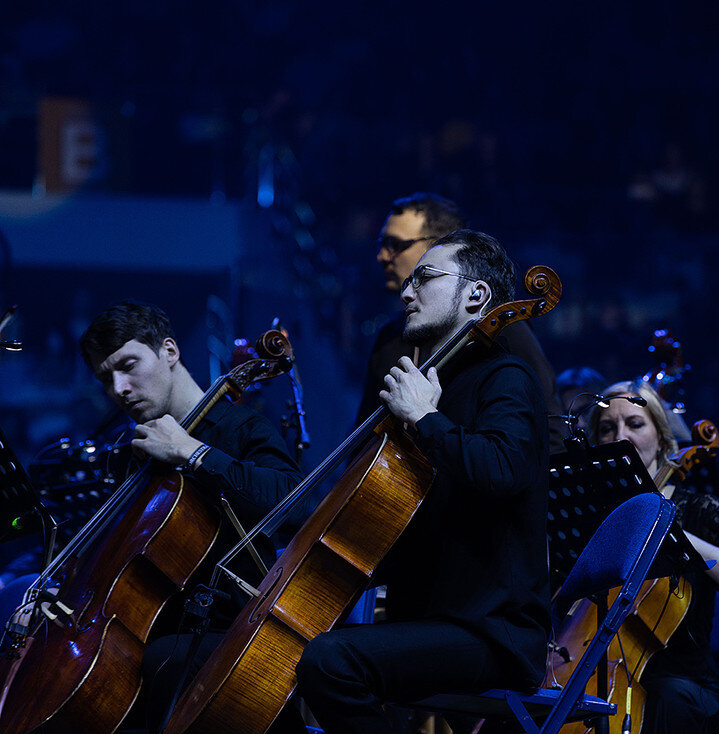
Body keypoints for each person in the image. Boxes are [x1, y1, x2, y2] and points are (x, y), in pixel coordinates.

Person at [295, 229, 550, 733]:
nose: (407, 293)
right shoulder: (434, 385)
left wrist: (424, 418)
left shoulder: (506, 376)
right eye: (408, 282)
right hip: (431, 620)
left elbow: (502, 470)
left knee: (331, 662)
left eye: (425, 278)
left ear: (476, 295)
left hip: (490, 632)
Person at [76, 301, 304, 732]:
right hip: (151, 628)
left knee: (165, 660)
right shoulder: (135, 456)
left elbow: (295, 502)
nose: (119, 388)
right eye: (106, 378)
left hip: (230, 627)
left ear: (169, 351)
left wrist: (192, 453)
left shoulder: (239, 429)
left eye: (128, 365)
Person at [590, 379, 719, 734]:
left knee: (665, 698)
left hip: (685, 690)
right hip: (604, 678)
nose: (619, 436)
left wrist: (676, 533)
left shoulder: (700, 510)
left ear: (662, 437)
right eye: (607, 428)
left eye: (635, 423)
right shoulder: (589, 515)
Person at [356, 193, 563, 452]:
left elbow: (548, 428)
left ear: (439, 246)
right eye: (382, 243)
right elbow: (363, 440)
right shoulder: (390, 335)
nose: (382, 256)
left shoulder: (501, 328)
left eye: (395, 244)